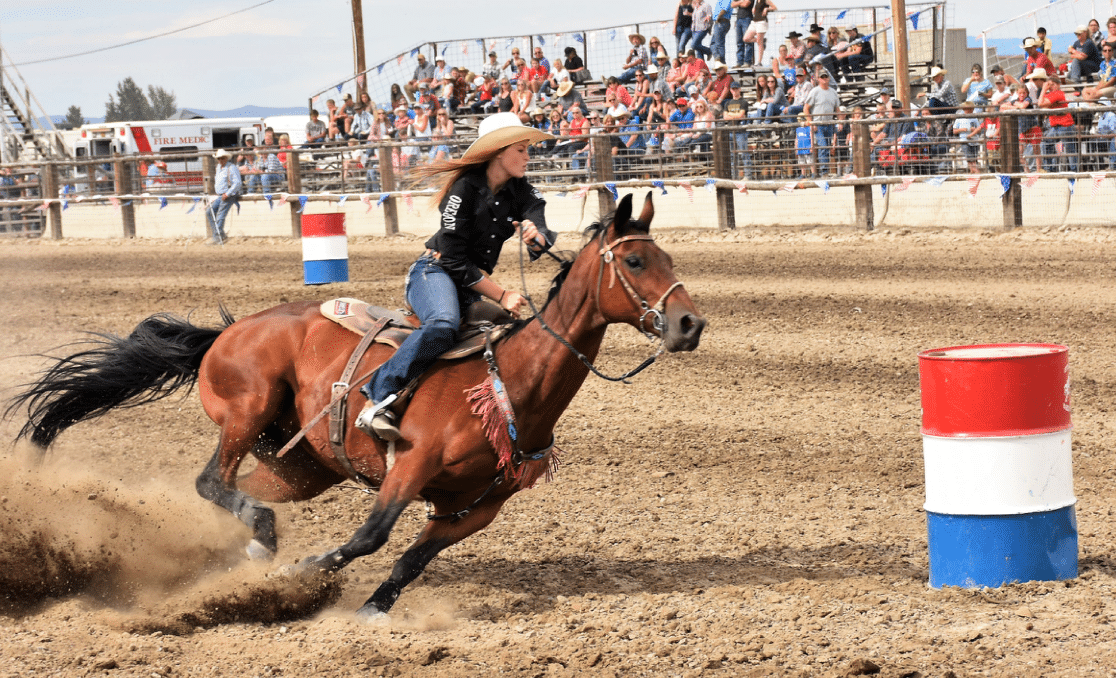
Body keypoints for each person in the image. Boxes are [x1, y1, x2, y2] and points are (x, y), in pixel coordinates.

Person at [354, 113, 556, 440]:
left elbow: (538, 218)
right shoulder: (463, 190)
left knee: (503, 332)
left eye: (527, 150)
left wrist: (538, 236)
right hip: (434, 271)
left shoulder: (520, 190)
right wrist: (502, 295)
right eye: (521, 150)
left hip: (466, 283)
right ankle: (377, 397)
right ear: (499, 152)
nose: (527, 157)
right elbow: (451, 257)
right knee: (443, 325)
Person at [1038, 72, 1078, 172]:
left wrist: (1043, 89)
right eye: (1049, 85)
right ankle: (1049, 169)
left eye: (1053, 84)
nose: (1051, 87)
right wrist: (1045, 90)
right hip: (1055, 127)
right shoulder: (1050, 95)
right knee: (1045, 143)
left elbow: (1040, 103)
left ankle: (1075, 171)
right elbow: (1042, 103)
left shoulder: (1058, 93)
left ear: (1059, 85)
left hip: (1065, 126)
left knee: (1070, 149)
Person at [803, 70, 840, 176]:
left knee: (826, 147)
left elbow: (837, 109)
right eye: (822, 77)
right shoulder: (814, 91)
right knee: (823, 146)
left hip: (829, 123)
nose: (824, 79)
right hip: (818, 124)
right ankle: (824, 171)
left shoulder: (833, 92)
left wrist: (840, 122)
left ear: (828, 78)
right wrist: (811, 122)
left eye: (826, 77)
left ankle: (824, 170)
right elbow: (806, 108)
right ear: (818, 79)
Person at [205, 149, 241, 245]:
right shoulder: (219, 167)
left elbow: (237, 183)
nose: (220, 160)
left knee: (220, 215)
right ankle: (220, 235)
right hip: (221, 195)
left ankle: (217, 237)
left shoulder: (231, 167)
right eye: (219, 158)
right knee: (210, 212)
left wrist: (227, 193)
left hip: (229, 195)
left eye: (222, 158)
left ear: (226, 158)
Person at [742, 0, 776, 67]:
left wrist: (766, 9)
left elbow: (774, 7)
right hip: (754, 21)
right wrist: (754, 9)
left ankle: (759, 62)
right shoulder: (756, 1)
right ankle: (763, 41)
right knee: (746, 38)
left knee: (759, 43)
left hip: (762, 21)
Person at [733, 0, 754, 67]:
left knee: (748, 41)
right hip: (739, 19)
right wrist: (741, 1)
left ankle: (747, 62)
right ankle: (740, 62)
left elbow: (746, 4)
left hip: (747, 18)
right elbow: (732, 4)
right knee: (739, 42)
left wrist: (738, 3)